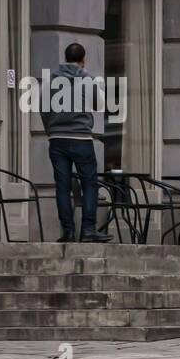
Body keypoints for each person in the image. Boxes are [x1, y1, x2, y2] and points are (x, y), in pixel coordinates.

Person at [45, 43, 110, 243]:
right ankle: (89, 230)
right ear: (83, 60)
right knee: (89, 184)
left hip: (57, 139)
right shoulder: (87, 79)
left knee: (62, 187)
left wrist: (52, 129)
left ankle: (68, 232)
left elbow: (43, 109)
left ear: (65, 58)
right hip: (81, 138)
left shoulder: (52, 80)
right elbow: (100, 105)